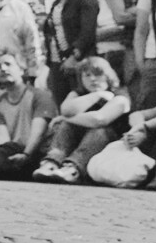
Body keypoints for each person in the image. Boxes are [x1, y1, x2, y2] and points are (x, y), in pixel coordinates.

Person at [32, 56, 129, 184]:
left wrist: (68, 118)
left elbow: (99, 119)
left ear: (108, 75)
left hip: (109, 145)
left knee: (98, 131)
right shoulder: (78, 93)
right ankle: (52, 163)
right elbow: (66, 110)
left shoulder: (120, 96)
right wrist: (96, 95)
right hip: (79, 140)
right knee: (66, 125)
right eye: (87, 75)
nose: (93, 79)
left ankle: (73, 169)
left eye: (98, 74)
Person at [0, 46, 54, 179]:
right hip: (12, 154)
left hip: (36, 154)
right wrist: (3, 156)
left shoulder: (40, 96)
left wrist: (26, 154)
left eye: (8, 64)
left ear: (21, 69)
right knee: (4, 155)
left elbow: (38, 134)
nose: (3, 69)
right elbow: (3, 139)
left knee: (0, 156)